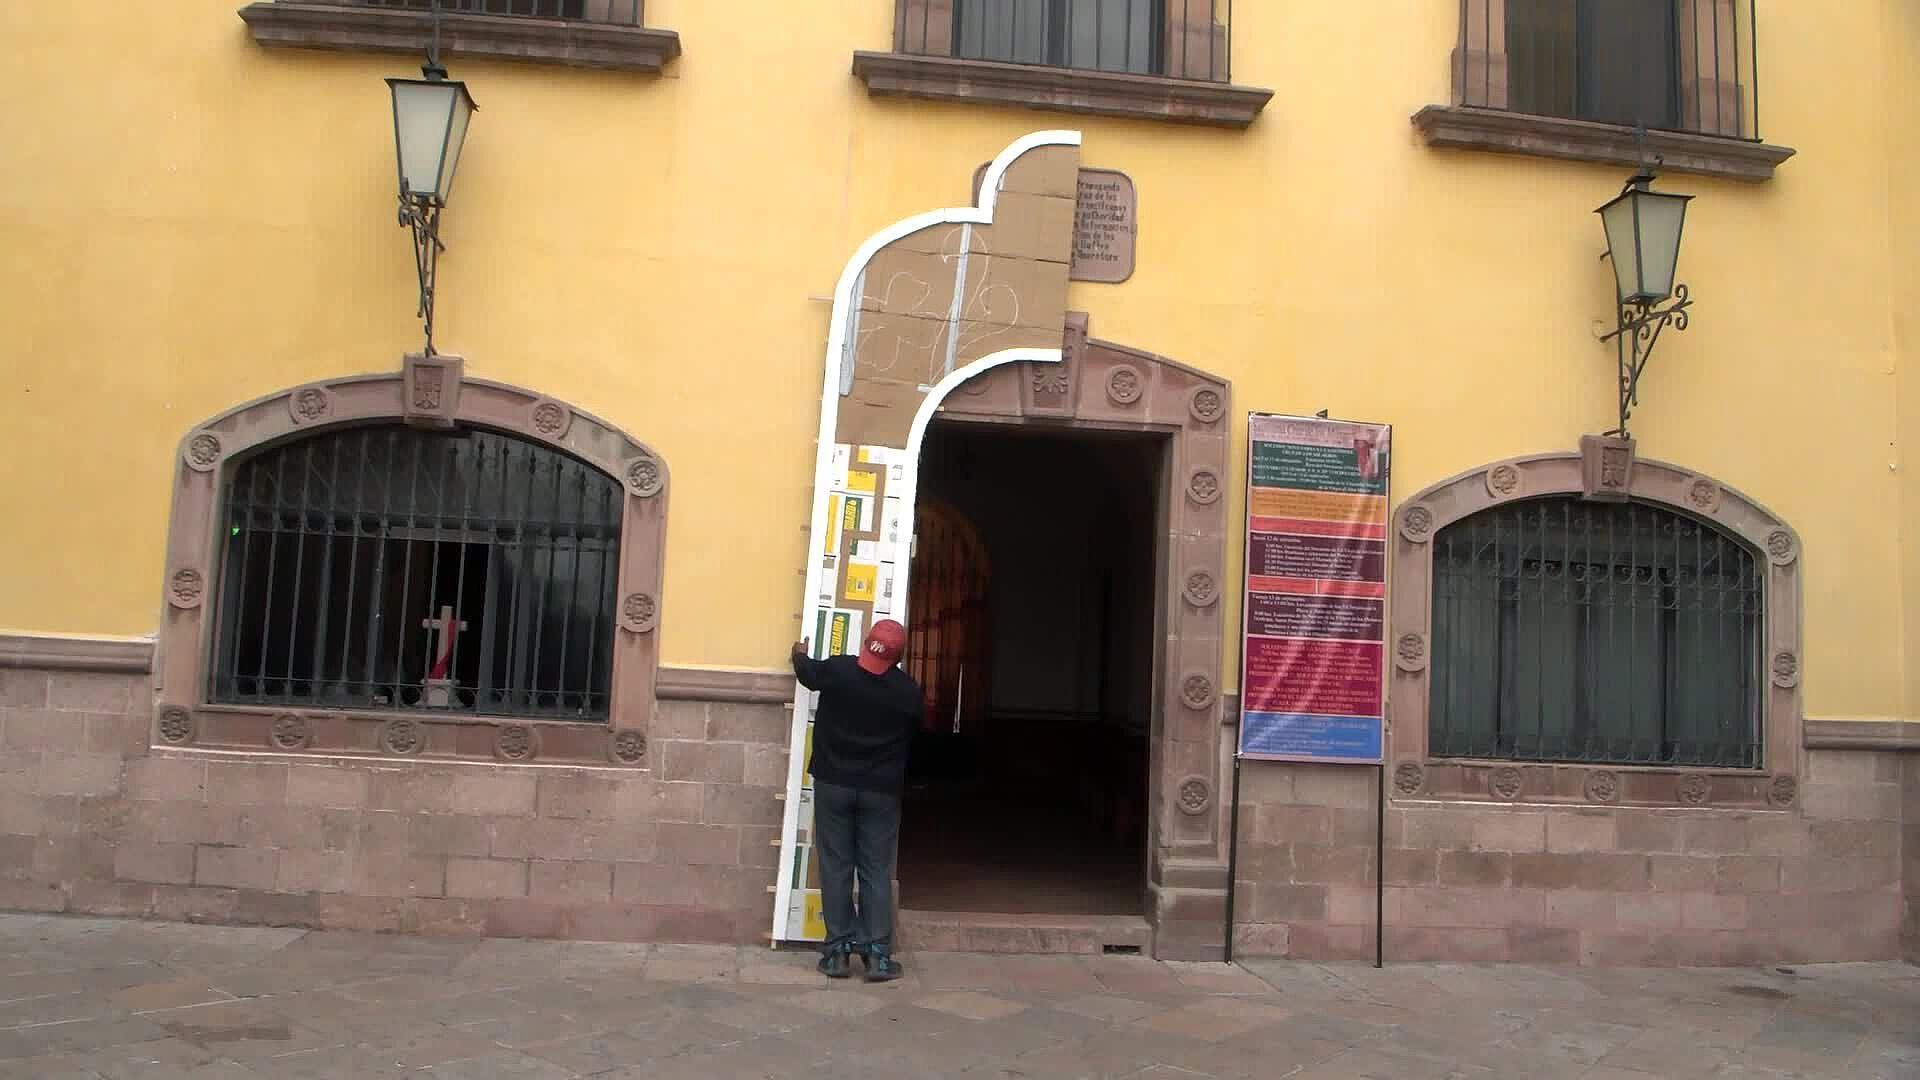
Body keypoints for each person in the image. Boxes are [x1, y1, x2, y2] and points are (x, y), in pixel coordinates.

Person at [791, 619, 922, 982]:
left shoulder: (839, 670)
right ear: (899, 657)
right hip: (880, 791)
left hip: (833, 785)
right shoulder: (907, 691)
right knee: (875, 870)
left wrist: (798, 654)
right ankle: (877, 956)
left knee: (835, 867)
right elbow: (916, 734)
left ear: (866, 644)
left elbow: (807, 673)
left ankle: (836, 954)